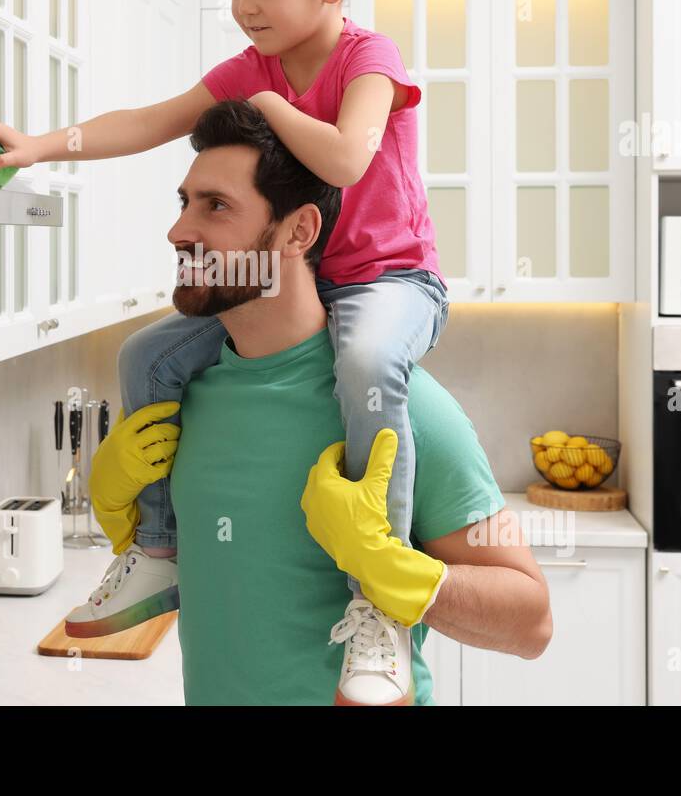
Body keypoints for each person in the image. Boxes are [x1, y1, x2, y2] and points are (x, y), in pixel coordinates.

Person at [0, 0, 448, 703]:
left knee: (369, 366)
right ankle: (157, 549)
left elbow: (343, 160)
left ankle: (381, 608)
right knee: (146, 357)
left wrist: (266, 105)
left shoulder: (365, 58)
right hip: (314, 278)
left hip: (390, 280)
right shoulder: (249, 68)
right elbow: (148, 121)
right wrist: (38, 146)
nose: (243, 6)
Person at [82, 97, 550, 704]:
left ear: (298, 231)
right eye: (185, 202)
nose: (179, 232)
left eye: (216, 206)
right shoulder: (175, 397)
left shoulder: (396, 408)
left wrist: (402, 575)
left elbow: (530, 623)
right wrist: (132, 528)